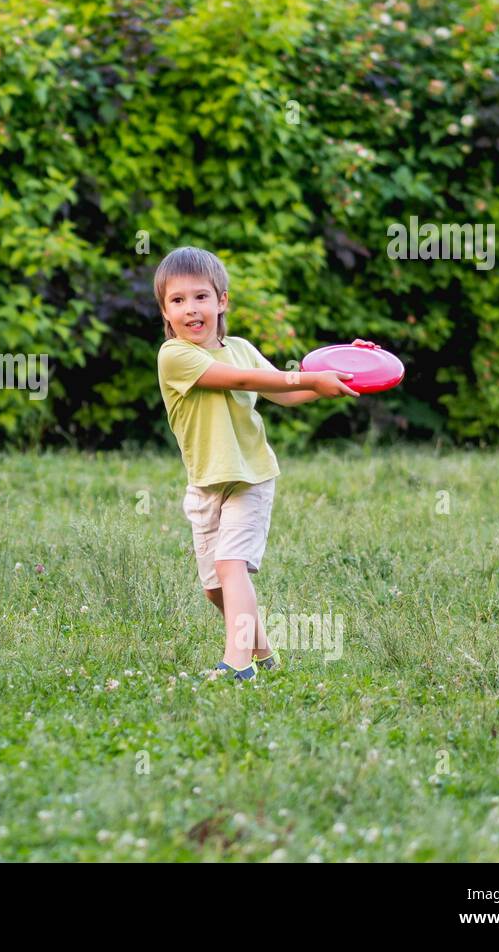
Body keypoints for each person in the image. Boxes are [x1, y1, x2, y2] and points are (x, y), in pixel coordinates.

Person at [153, 246, 367, 682]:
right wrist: (310, 376)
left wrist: (347, 370)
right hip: (206, 483)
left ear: (222, 301)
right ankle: (264, 652)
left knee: (232, 566)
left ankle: (237, 664)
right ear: (165, 311)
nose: (191, 309)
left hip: (251, 477)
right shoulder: (175, 356)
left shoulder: (242, 348)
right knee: (215, 588)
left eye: (201, 297)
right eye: (178, 301)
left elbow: (285, 392)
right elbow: (244, 381)